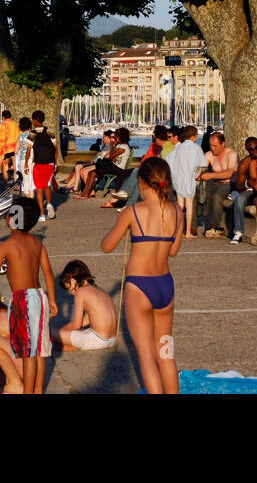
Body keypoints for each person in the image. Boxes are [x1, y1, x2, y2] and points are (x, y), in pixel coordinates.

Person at [101, 157, 181, 394]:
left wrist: (124, 226)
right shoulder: (177, 210)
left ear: (142, 182)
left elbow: (107, 246)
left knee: (146, 357)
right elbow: (174, 251)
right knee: (166, 352)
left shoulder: (133, 211)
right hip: (165, 286)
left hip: (139, 287)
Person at [0, 196, 57, 394]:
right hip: (40, 297)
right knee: (41, 351)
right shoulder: (36, 243)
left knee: (28, 352)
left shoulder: (7, 246)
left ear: (13, 218)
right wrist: (52, 299)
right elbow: (48, 272)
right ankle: (37, 390)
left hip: (23, 300)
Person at [51, 260, 117, 352]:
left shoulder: (81, 291)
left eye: (70, 288)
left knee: (49, 332)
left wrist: (59, 332)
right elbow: (86, 320)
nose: (71, 292)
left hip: (97, 339)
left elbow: (76, 325)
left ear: (73, 278)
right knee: (75, 334)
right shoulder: (100, 290)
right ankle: (64, 346)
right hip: (111, 340)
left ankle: (58, 344)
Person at [165, 125, 204, 238]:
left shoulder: (179, 148)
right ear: (194, 136)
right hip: (189, 180)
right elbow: (201, 164)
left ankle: (177, 231)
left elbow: (169, 160)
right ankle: (187, 232)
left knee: (180, 205)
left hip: (179, 180)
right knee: (189, 206)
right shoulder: (196, 148)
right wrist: (199, 173)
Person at [195, 131, 237, 236]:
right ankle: (192, 226)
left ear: (223, 144)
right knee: (198, 193)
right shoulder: (209, 154)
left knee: (217, 197)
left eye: (215, 146)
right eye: (211, 146)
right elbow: (201, 168)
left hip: (229, 184)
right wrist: (199, 175)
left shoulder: (232, 154)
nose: (213, 148)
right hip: (214, 183)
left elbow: (230, 173)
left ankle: (215, 227)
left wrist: (211, 175)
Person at [29, 110, 58, 221]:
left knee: (39, 189)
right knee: (47, 185)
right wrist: (55, 163)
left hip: (38, 164)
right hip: (50, 163)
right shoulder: (50, 133)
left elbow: (28, 150)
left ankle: (42, 214)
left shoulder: (33, 133)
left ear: (35, 120)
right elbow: (55, 148)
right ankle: (49, 204)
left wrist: (27, 165)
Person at [0, 110, 19, 181]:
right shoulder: (15, 124)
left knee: (5, 167)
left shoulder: (2, 125)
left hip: (6, 150)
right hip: (14, 149)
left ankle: (6, 185)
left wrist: (0, 149)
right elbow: (19, 135)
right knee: (15, 167)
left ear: (3, 117)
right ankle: (16, 185)